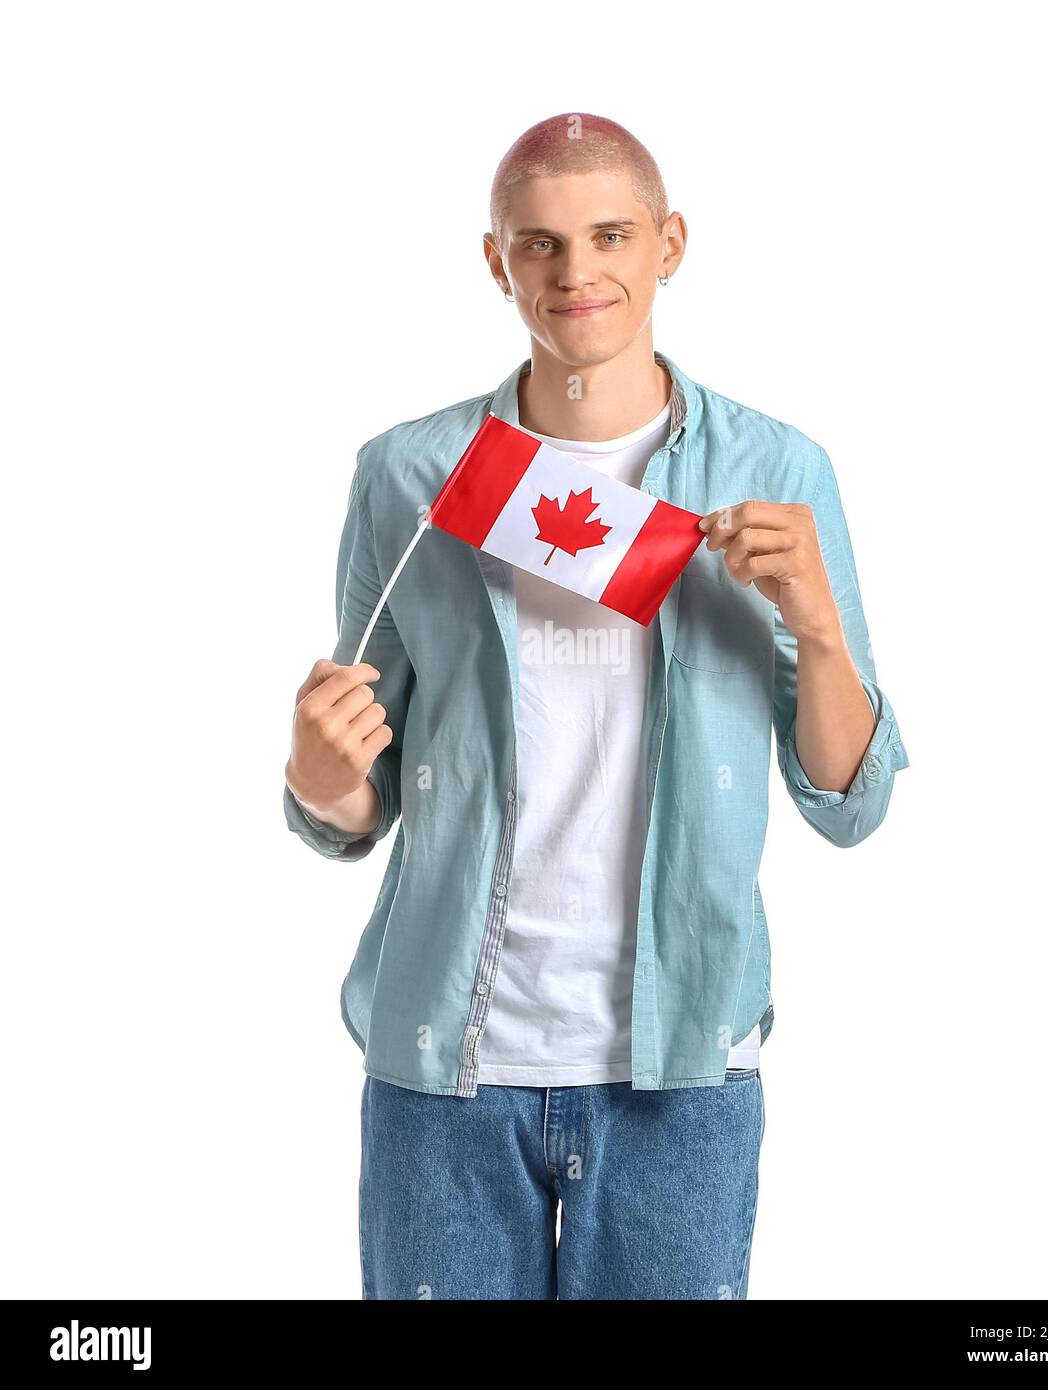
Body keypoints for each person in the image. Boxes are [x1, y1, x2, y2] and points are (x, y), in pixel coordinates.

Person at [283, 112, 910, 1300]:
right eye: (541, 244)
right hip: (445, 1064)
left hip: (684, 1063)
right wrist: (321, 779)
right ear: (496, 259)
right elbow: (357, 788)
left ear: (670, 243)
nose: (578, 274)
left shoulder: (778, 472)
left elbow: (848, 803)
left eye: (611, 234)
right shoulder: (412, 473)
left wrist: (818, 625)